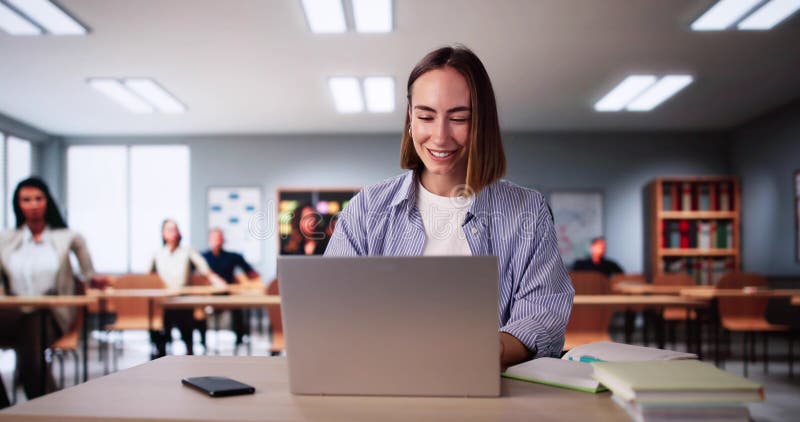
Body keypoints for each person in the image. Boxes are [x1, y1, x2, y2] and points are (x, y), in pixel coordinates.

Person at [325, 45, 574, 370]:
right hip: (382, 384)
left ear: (482, 122)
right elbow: (331, 308)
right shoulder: (367, 208)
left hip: (487, 391)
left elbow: (544, 315)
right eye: (426, 116)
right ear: (410, 118)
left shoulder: (527, 211)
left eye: (459, 118)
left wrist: (484, 351)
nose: (440, 136)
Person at [0, 177, 107, 405]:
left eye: (38, 198)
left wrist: (95, 281)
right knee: (24, 325)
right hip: (14, 311)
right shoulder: (6, 240)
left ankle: (44, 408)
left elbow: (89, 273)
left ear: (47, 201)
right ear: (17, 204)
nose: (33, 204)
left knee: (32, 329)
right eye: (26, 199)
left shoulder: (68, 237)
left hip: (51, 313)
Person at [150, 219, 225, 357]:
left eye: (175, 229)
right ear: (163, 233)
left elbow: (204, 268)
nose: (173, 232)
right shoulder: (158, 254)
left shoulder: (187, 251)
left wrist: (216, 280)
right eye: (169, 229)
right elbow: (149, 277)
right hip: (163, 302)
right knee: (158, 331)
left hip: (183, 300)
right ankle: (160, 355)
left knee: (186, 329)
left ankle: (189, 353)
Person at [201, 228, 260, 348]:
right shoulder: (202, 258)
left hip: (228, 293)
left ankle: (239, 338)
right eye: (214, 237)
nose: (217, 240)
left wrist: (254, 283)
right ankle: (202, 341)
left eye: (219, 237)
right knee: (197, 309)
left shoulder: (232, 257)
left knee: (237, 306)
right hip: (209, 295)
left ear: (223, 239)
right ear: (209, 240)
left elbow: (251, 272)